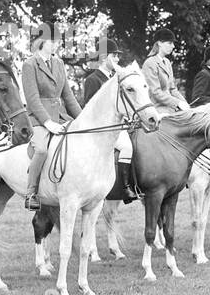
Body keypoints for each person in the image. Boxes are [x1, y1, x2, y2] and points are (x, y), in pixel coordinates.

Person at [23, 26, 82, 209]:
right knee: (41, 149)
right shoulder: (29, 65)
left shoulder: (59, 64)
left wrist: (82, 119)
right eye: (53, 41)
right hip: (38, 118)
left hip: (61, 116)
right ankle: (31, 193)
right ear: (41, 42)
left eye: (57, 41)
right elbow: (32, 100)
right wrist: (47, 122)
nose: (57, 44)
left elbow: (68, 96)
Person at [80, 39, 139, 202]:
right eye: (114, 56)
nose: (117, 59)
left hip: (118, 125)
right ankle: (125, 187)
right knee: (127, 147)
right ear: (104, 57)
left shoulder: (116, 79)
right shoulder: (93, 79)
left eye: (117, 56)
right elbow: (90, 109)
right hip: (102, 129)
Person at [142, 27, 188, 113]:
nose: (173, 46)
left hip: (170, 106)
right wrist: (177, 103)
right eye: (169, 43)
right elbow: (156, 93)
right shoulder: (150, 63)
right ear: (159, 43)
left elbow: (173, 89)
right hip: (157, 108)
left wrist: (185, 104)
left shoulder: (167, 62)